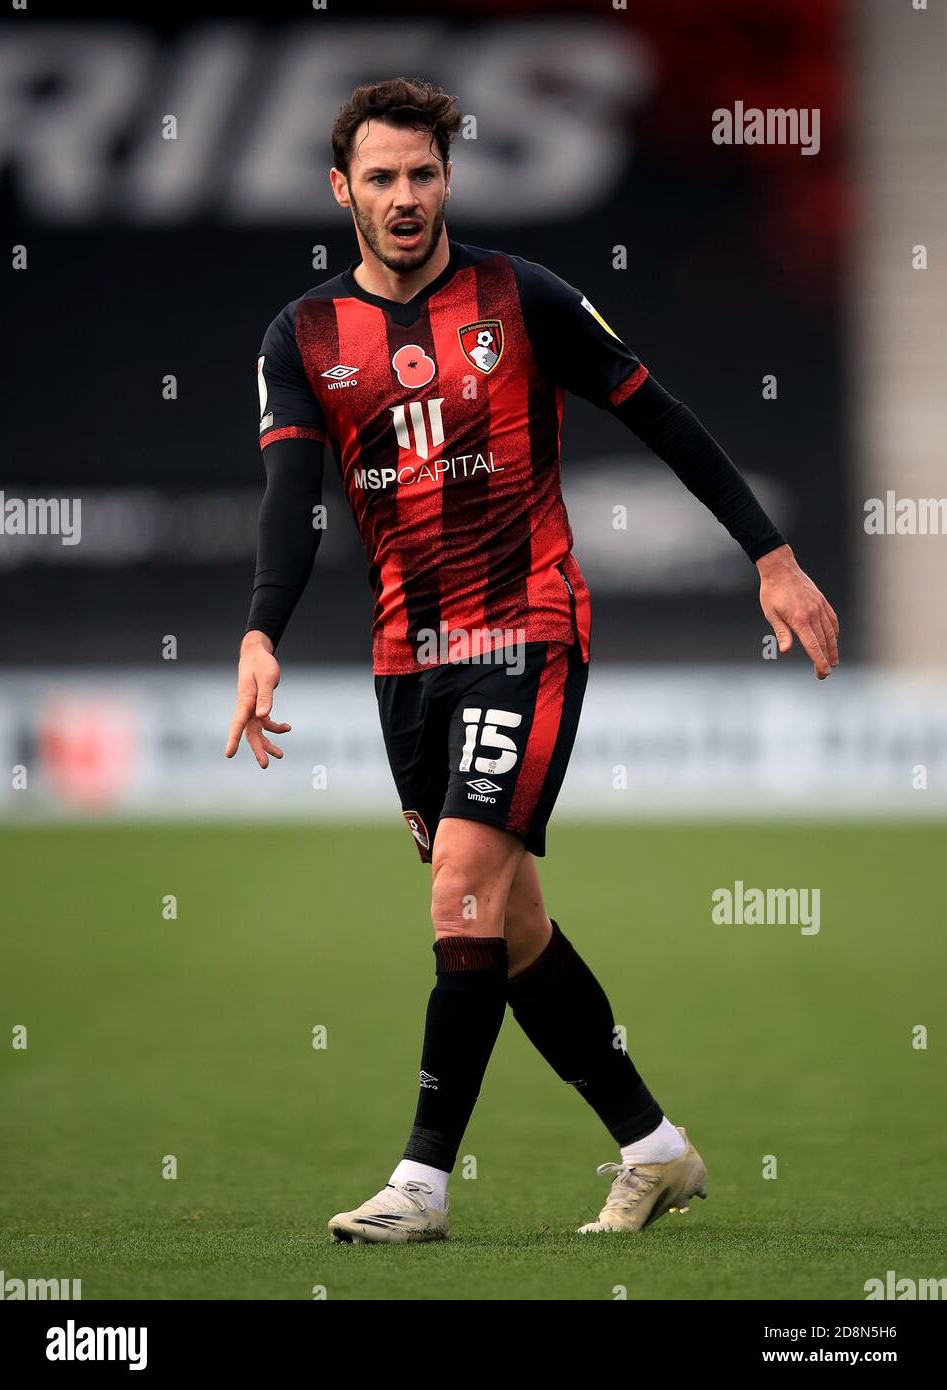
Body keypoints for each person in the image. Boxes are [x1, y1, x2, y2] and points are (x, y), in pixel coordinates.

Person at [225, 78, 840, 1242]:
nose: (405, 199)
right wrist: (262, 631)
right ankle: (657, 1149)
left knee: (461, 883)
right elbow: (290, 502)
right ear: (340, 188)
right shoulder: (303, 336)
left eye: (423, 175)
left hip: (529, 626)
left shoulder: (522, 296)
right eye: (382, 178)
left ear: (447, 179)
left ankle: (422, 1182)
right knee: (507, 931)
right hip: (407, 658)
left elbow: (661, 415)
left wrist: (769, 554)